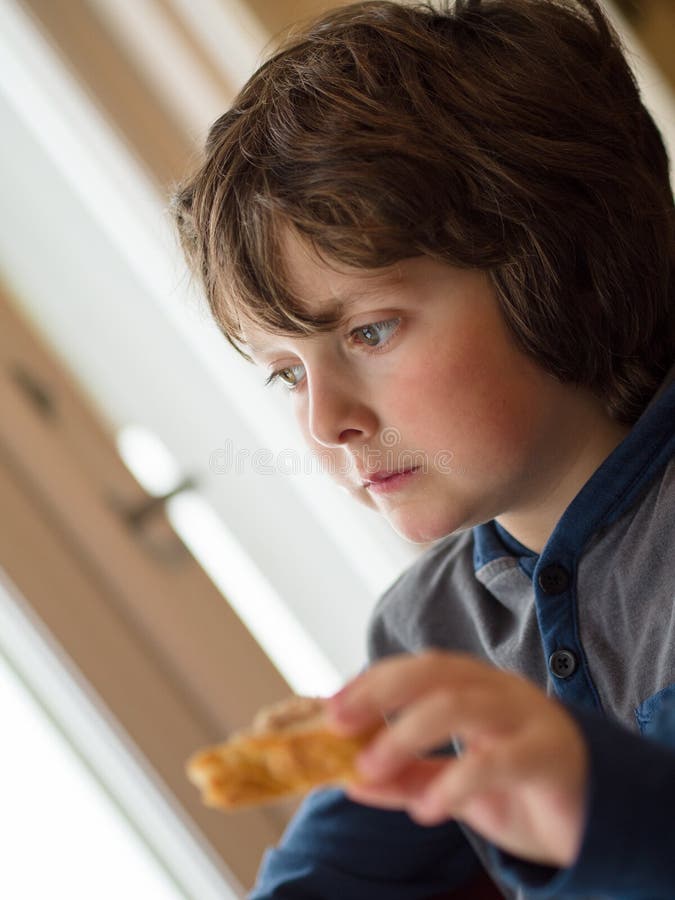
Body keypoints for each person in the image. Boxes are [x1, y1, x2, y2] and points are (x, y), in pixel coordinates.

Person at [171, 0, 675, 896]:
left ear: (555, 261)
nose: (325, 422)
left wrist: (596, 803)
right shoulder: (426, 633)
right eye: (287, 374)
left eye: (368, 332)